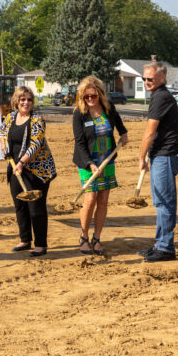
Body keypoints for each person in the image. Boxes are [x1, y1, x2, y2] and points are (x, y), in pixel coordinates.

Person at [0, 86, 57, 256]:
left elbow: (35, 145)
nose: (26, 102)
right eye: (22, 99)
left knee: (36, 207)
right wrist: (4, 146)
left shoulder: (37, 120)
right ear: (16, 101)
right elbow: (2, 131)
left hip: (36, 170)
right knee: (20, 206)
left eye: (29, 100)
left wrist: (22, 162)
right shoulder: (10, 117)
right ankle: (25, 240)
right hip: (15, 169)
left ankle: (40, 244)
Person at [71, 76, 126, 255]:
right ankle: (83, 236)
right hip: (88, 162)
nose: (90, 99)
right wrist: (90, 164)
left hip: (107, 160)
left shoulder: (108, 108)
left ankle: (97, 238)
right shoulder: (79, 113)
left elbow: (119, 125)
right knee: (90, 199)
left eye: (93, 96)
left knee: (103, 201)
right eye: (86, 97)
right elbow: (79, 142)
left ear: (100, 94)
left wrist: (123, 134)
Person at [136, 62, 178, 262]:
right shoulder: (158, 95)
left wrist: (141, 156)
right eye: (144, 79)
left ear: (161, 78)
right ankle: (160, 243)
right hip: (160, 155)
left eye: (150, 79)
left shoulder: (161, 97)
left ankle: (166, 248)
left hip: (166, 156)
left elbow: (150, 131)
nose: (146, 82)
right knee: (159, 202)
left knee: (164, 202)